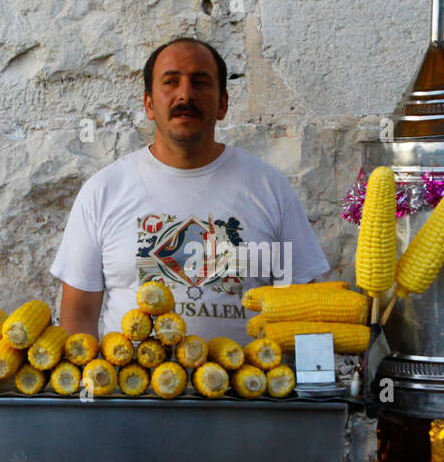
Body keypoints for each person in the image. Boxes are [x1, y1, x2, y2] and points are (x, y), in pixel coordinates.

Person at [51, 36, 330, 341]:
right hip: (129, 387)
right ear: (149, 104)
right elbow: (79, 314)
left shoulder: (269, 188)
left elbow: (302, 308)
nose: (185, 94)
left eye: (200, 82)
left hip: (247, 385)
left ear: (223, 104)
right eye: (171, 82)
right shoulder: (103, 190)